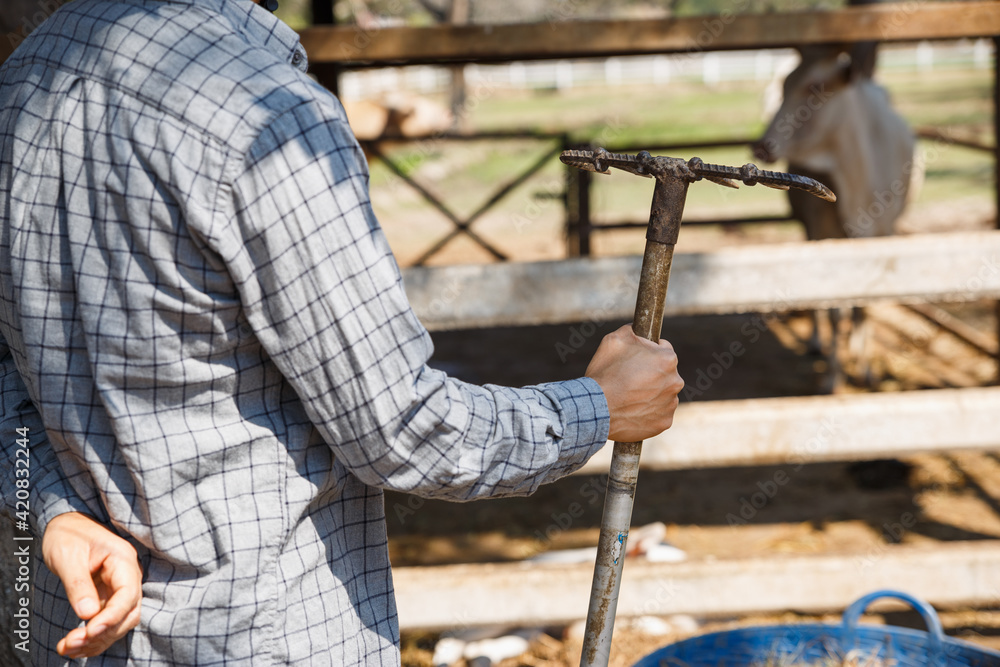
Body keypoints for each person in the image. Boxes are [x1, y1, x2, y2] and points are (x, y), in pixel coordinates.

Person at [0, 0, 684, 663]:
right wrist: (596, 407)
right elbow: (403, 430)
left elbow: (8, 374)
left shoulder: (22, 81)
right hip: (256, 637)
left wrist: (51, 508)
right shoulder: (264, 113)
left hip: (65, 627)